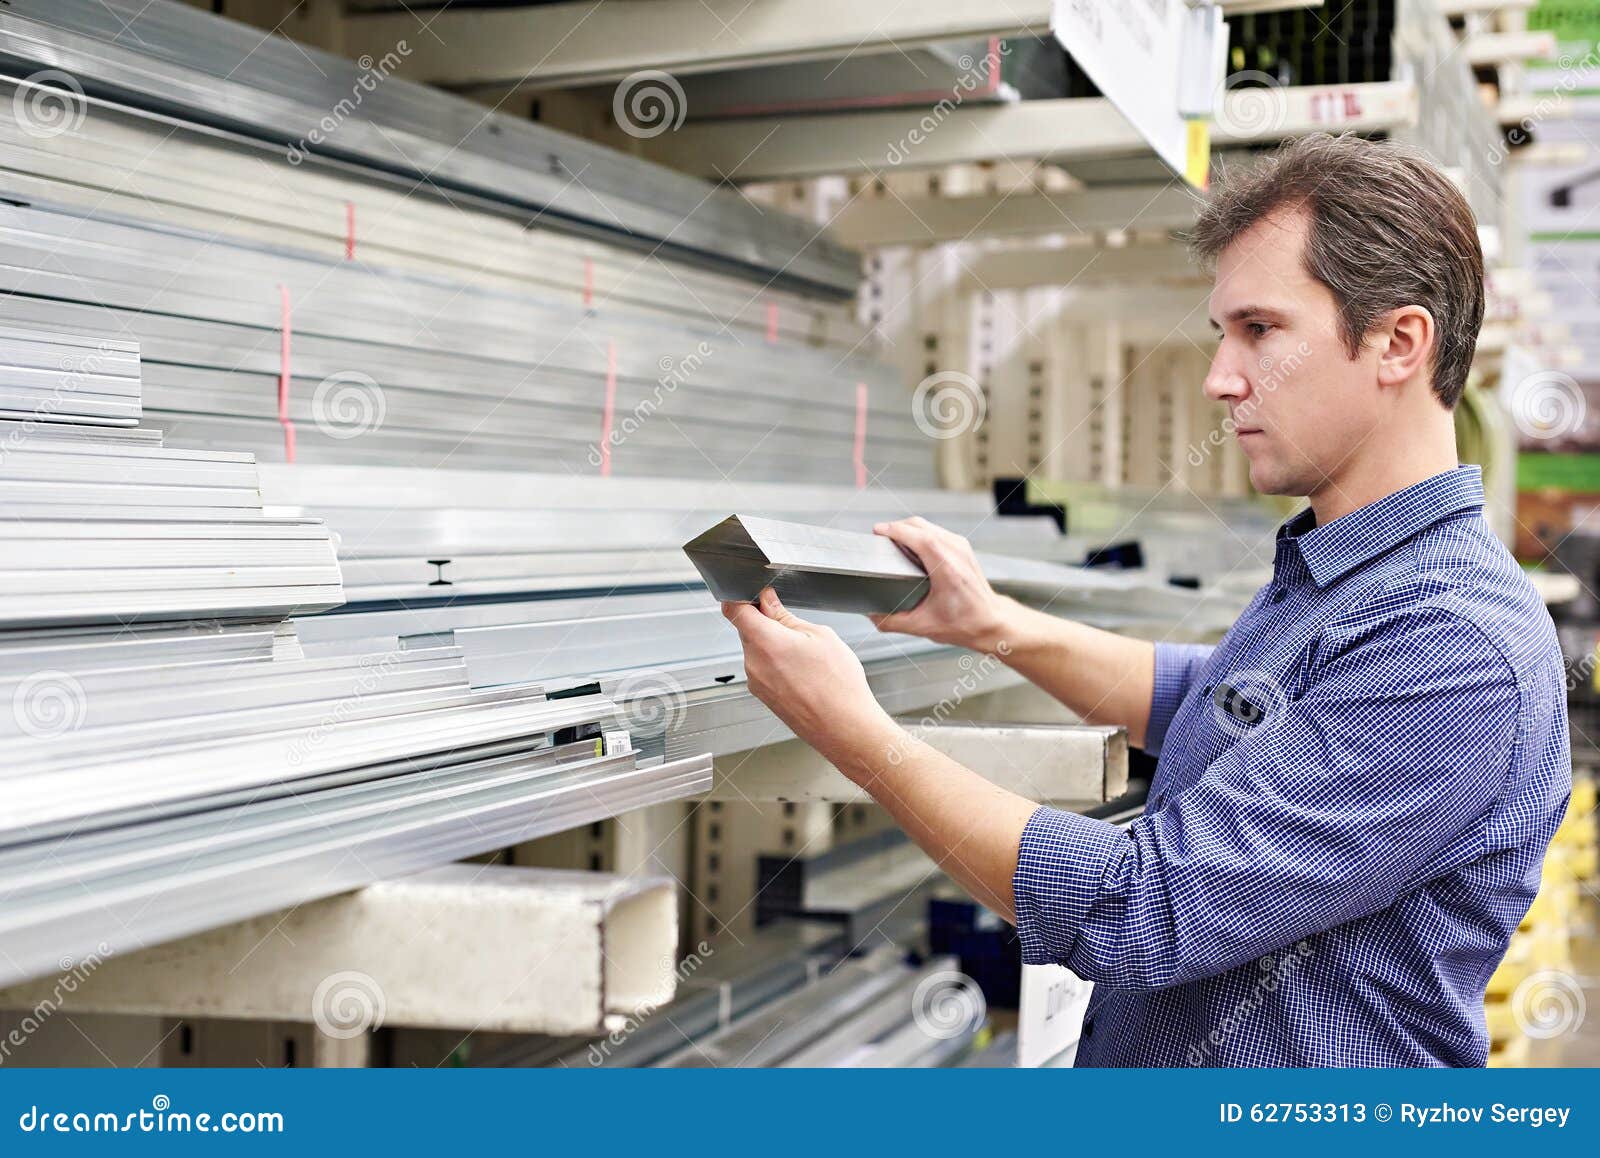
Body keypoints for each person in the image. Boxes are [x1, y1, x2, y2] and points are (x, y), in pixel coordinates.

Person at [720, 133, 1571, 1067]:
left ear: (1398, 343)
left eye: (1262, 329)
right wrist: (995, 625)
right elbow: (1210, 701)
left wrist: (853, 732)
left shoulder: (1453, 643)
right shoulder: (1355, 573)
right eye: (1222, 335)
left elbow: (1144, 908)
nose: (1220, 378)